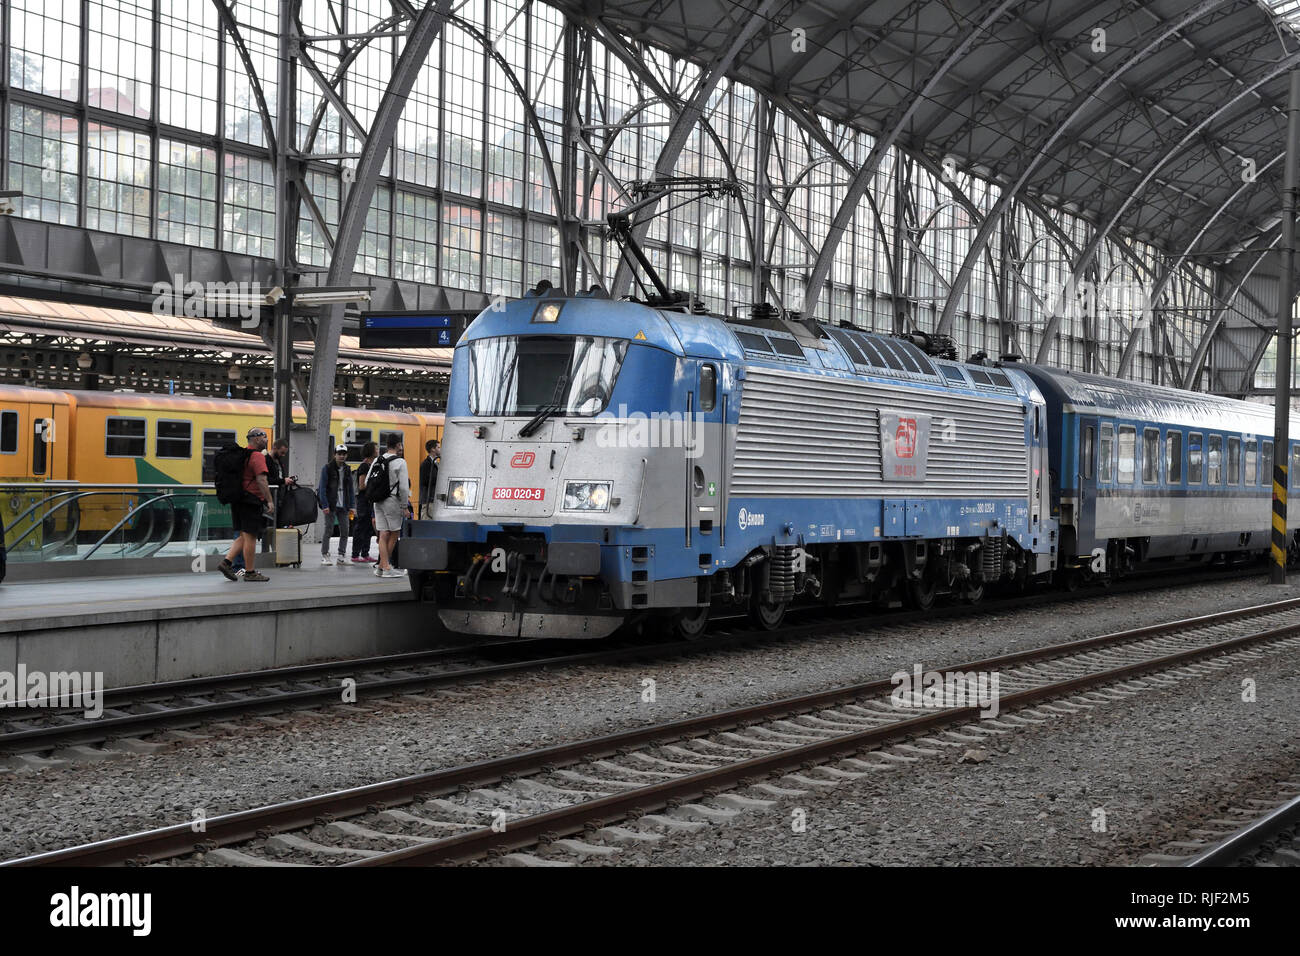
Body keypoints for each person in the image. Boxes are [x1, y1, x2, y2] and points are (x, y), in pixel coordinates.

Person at [218, 427, 273, 582]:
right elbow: (262, 480)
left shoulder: (242, 455)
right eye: (264, 436)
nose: (266, 439)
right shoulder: (257, 456)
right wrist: (269, 500)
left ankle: (226, 562)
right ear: (255, 439)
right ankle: (250, 572)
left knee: (243, 535)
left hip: (239, 499)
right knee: (251, 537)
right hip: (251, 500)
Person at [371, 434, 411, 579]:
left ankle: (382, 567)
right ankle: (386, 566)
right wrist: (404, 506)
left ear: (387, 445)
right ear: (399, 445)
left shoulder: (377, 459)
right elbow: (404, 487)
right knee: (394, 533)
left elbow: (369, 479)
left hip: (378, 501)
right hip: (392, 500)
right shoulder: (400, 462)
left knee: (383, 534)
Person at [318, 443, 355, 565]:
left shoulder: (347, 469)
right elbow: (322, 488)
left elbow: (351, 489)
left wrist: (352, 506)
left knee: (345, 530)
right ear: (335, 455)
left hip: (343, 504)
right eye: (339, 454)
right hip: (331, 503)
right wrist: (325, 505)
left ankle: (341, 555)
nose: (342, 456)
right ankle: (325, 555)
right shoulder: (327, 468)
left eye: (344, 454)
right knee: (328, 530)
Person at [350, 441, 378, 563]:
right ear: (371, 451)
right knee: (361, 527)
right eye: (376, 449)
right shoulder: (364, 466)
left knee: (368, 528)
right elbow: (362, 486)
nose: (378, 450)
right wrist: (375, 484)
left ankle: (365, 553)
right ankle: (355, 554)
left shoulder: (372, 465)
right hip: (363, 501)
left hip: (369, 501)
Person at [419, 439, 440, 519]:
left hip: (433, 500)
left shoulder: (436, 463)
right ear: (432, 449)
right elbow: (425, 480)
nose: (440, 449)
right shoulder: (426, 464)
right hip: (428, 500)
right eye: (438, 447)